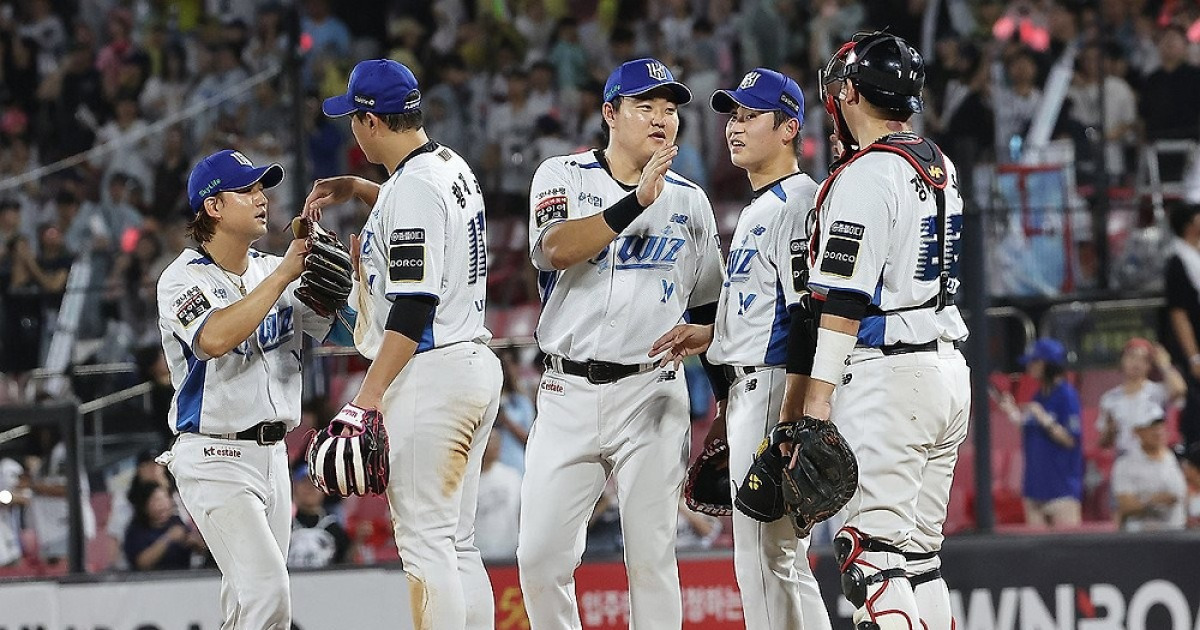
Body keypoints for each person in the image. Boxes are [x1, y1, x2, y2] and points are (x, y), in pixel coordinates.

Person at [517, 58, 725, 629]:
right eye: (645, 105)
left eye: (670, 108)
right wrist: (636, 201)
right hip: (568, 390)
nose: (662, 118)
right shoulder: (562, 175)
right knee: (538, 558)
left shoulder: (690, 200)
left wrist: (725, 405)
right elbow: (555, 249)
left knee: (651, 557)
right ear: (610, 113)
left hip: (651, 392)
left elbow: (709, 308)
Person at [303, 58, 503, 630]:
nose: (352, 129)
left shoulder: (413, 187)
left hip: (431, 372)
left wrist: (365, 398)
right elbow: (420, 208)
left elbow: (414, 306)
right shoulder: (448, 164)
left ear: (370, 121)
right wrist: (362, 189)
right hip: (470, 364)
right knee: (456, 543)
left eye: (353, 118)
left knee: (424, 544)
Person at [649, 67, 831, 630]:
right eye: (733, 114)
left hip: (775, 386)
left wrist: (792, 417)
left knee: (763, 557)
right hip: (756, 381)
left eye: (751, 115)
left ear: (789, 128)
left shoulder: (797, 202)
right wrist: (714, 336)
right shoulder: (764, 204)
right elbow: (768, 307)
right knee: (780, 558)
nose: (735, 125)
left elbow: (806, 316)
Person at [801, 33, 971, 630]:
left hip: (891, 376)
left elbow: (844, 300)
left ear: (849, 92)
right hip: (946, 368)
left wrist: (816, 403)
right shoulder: (939, 162)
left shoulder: (868, 173)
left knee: (870, 555)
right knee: (919, 560)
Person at [156, 149, 352, 629]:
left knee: (249, 606)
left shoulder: (272, 269)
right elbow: (214, 338)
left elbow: (344, 333)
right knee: (269, 593)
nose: (262, 198)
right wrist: (286, 273)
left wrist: (353, 288)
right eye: (246, 189)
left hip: (274, 457)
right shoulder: (182, 278)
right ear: (213, 206)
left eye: (262, 188)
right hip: (214, 456)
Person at [1000, 339, 1083, 529]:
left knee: (1067, 546)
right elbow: (1029, 429)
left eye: (1035, 362)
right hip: (1034, 489)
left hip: (1061, 490)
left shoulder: (1066, 395)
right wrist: (1012, 412)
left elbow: (1071, 440)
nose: (1030, 367)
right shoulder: (1038, 396)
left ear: (1048, 364)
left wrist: (1045, 419)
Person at [1098, 338, 1186, 456]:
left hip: (1155, 456)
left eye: (1143, 359)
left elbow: (1179, 390)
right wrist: (1110, 430)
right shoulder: (1110, 398)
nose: (1136, 363)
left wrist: (1164, 364)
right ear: (1122, 360)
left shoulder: (1157, 391)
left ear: (1149, 365)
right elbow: (1104, 442)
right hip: (1125, 457)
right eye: (1132, 357)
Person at [1112, 400, 1187, 532]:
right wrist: (1153, 501)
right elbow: (1125, 505)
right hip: (1141, 535)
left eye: (1160, 426)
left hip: (1176, 532)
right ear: (1137, 431)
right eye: (1151, 427)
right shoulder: (1125, 464)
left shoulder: (1173, 457)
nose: (1158, 432)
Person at [1163, 202, 1200, 447]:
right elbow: (1179, 313)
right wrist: (1194, 357)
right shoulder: (1178, 261)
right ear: (1189, 225)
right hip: (1194, 347)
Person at [123, 479, 205, 571]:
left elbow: (201, 549)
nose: (163, 505)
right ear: (144, 506)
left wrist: (195, 542)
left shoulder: (177, 521)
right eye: (156, 500)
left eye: (165, 499)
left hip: (183, 576)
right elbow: (142, 563)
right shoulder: (136, 530)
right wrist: (168, 538)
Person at [287, 463, 351, 568]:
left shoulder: (334, 528)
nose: (309, 488)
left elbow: (345, 563)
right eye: (304, 482)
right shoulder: (284, 525)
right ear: (294, 487)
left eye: (315, 484)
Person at [474, 432, 522, 562]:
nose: (494, 444)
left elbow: (522, 514)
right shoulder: (467, 481)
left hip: (509, 556)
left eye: (496, 440)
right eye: (489, 440)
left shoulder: (512, 477)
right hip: (477, 555)